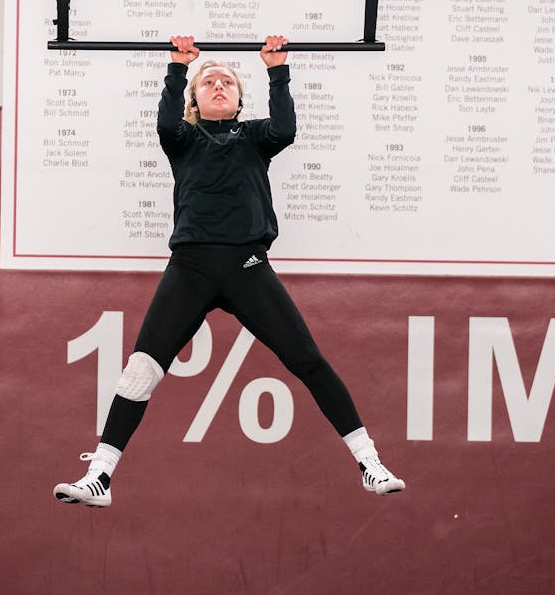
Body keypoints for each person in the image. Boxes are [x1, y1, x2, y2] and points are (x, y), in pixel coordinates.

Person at [53, 34, 404, 507]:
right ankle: (100, 475)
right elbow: (164, 121)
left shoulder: (257, 137)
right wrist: (178, 68)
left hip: (248, 266)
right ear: (194, 101)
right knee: (140, 370)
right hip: (190, 268)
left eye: (228, 83)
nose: (219, 87)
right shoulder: (183, 139)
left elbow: (285, 130)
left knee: (309, 362)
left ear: (240, 99)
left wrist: (277, 70)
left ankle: (369, 463)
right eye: (209, 83)